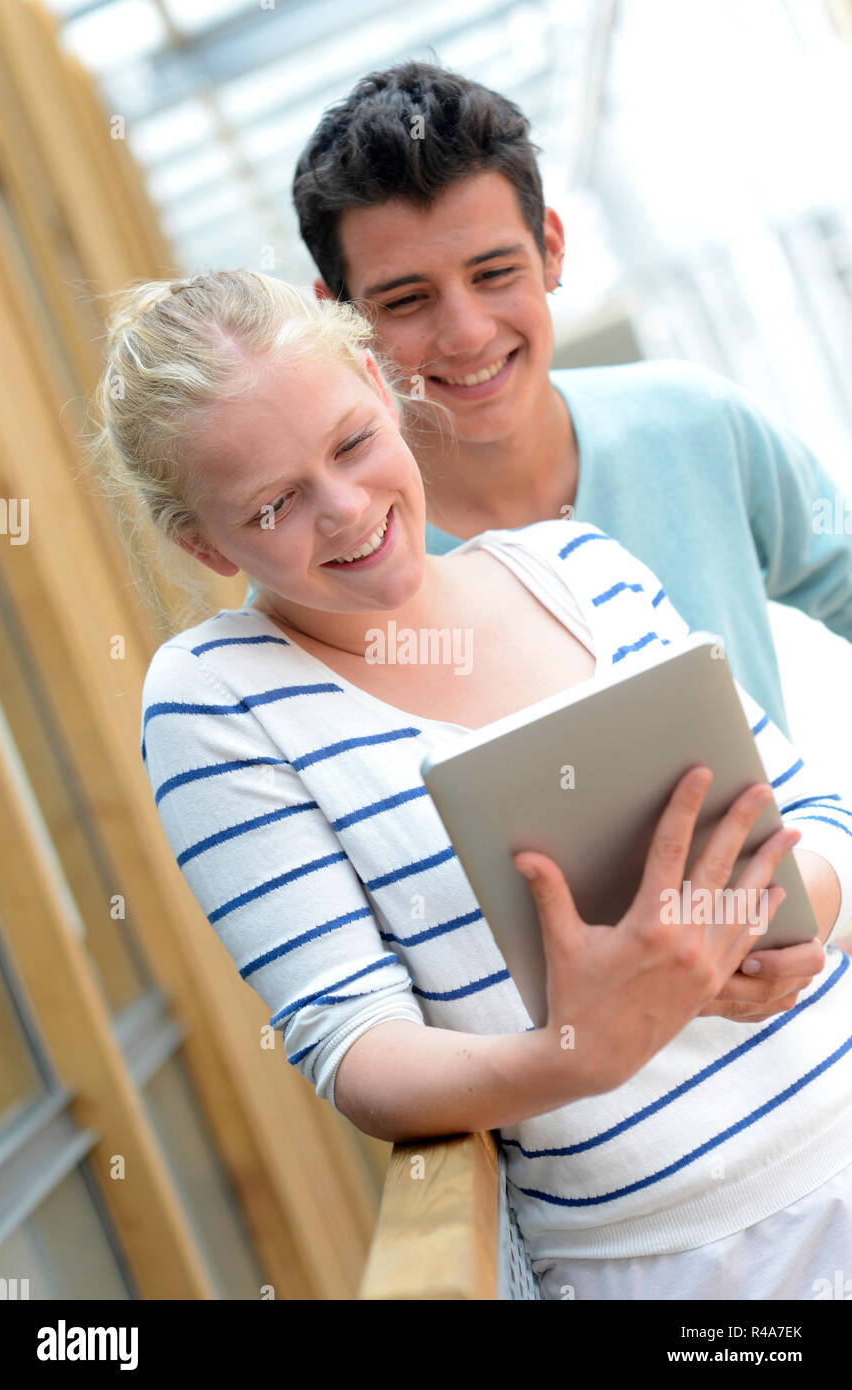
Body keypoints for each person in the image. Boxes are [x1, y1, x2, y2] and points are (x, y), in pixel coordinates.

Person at [89, 269, 852, 1300]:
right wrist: (576, 1053)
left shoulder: (580, 566)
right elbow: (357, 1046)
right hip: (678, 1266)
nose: (346, 510)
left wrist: (782, 919)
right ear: (198, 541)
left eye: (353, 441)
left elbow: (816, 816)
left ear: (377, 381)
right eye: (274, 505)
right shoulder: (216, 700)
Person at [239, 59, 852, 739]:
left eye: (494, 273)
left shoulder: (698, 423)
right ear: (340, 319)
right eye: (408, 299)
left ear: (550, 250)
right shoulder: (326, 581)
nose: (467, 334)